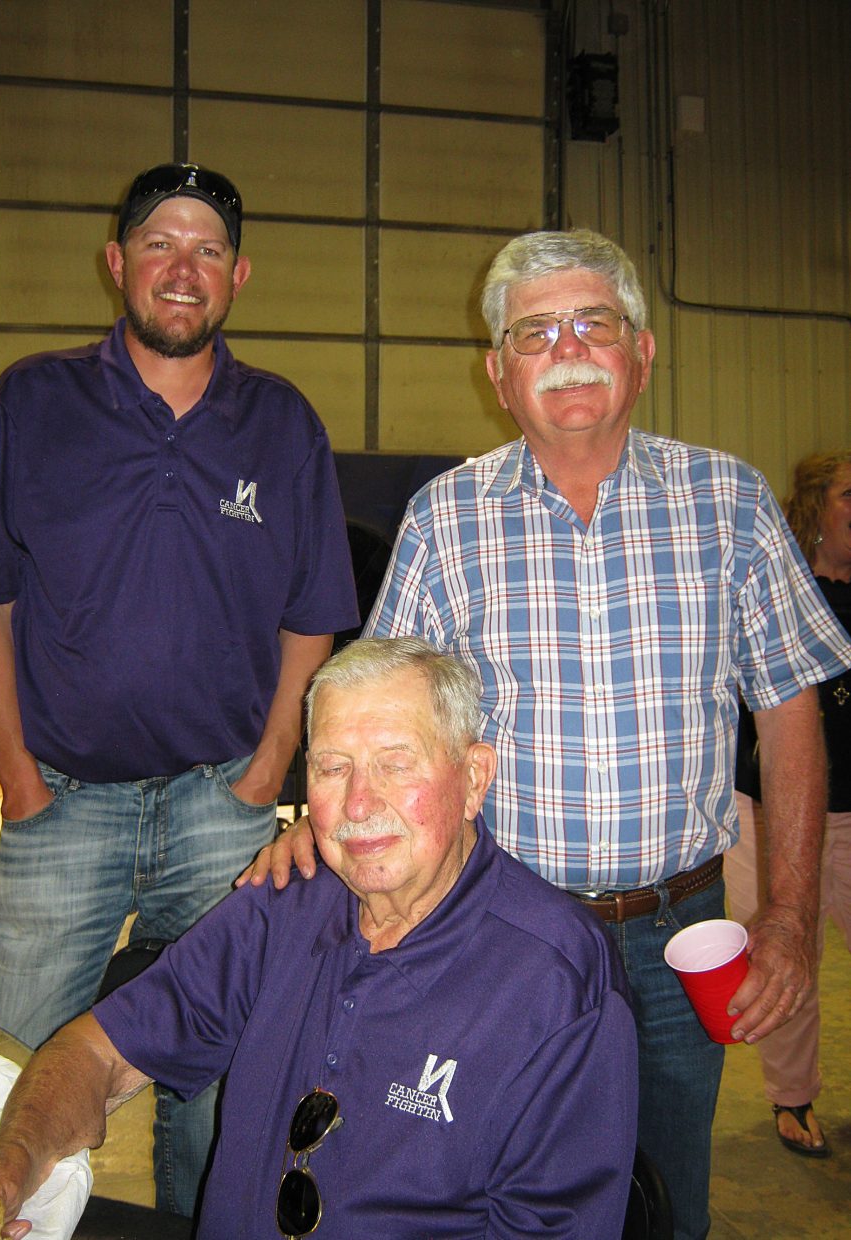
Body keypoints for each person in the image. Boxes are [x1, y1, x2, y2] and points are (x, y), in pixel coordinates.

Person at [241, 230, 851, 1240]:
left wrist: (788, 918)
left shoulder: (729, 503)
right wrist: (324, 819)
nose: (567, 347)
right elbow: (384, 709)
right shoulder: (447, 517)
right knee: (486, 1191)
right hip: (496, 935)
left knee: (665, 1205)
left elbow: (789, 712)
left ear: (643, 351)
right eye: (535, 331)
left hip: (677, 938)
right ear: (499, 372)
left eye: (594, 322)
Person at [0, 162, 358, 1217]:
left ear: (238, 276)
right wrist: (16, 778)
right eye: (159, 243)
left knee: (216, 1086)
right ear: (117, 263)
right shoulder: (32, 401)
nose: (182, 267)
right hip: (62, 807)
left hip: (222, 811)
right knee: (15, 1075)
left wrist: (262, 776)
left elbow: (313, 615)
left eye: (207, 249)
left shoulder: (283, 424)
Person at [0, 638, 638, 1240]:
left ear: (474, 776)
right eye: (332, 767)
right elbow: (101, 1052)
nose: (359, 803)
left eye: (396, 762)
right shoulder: (286, 907)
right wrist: (12, 1157)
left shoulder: (557, 979)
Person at [726, 449, 851, 1158]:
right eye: (848, 494)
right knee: (783, 951)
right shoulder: (779, 584)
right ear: (814, 507)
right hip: (767, 812)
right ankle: (792, 1094)